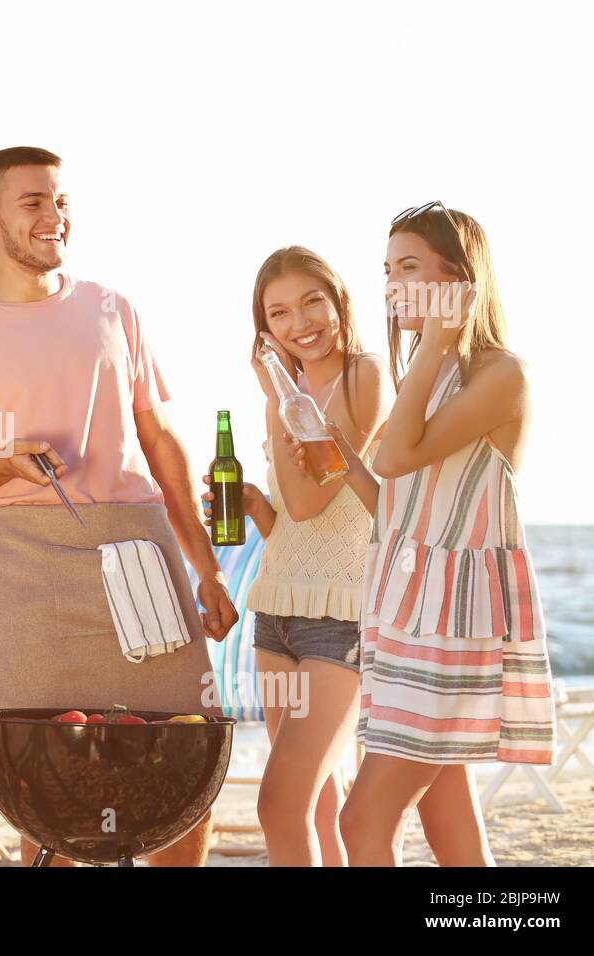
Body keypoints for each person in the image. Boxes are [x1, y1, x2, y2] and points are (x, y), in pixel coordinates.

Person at [0, 146, 238, 867]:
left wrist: (206, 569)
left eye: (59, 199)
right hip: (26, 573)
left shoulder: (112, 308)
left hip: (139, 553)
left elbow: (158, 438)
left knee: (185, 753)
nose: (53, 215)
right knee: (42, 776)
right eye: (32, 202)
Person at [335, 203, 555, 866]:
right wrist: (337, 457)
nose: (391, 285)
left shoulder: (501, 375)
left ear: (458, 280)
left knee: (362, 821)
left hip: (452, 621)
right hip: (408, 613)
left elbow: (399, 456)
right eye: (386, 270)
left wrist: (432, 343)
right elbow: (399, 508)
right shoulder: (431, 378)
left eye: (408, 268)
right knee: (446, 815)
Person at [201, 247, 391, 865]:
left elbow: (315, 500)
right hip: (277, 607)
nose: (299, 321)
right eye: (278, 312)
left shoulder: (364, 375)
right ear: (264, 326)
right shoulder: (284, 392)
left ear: (338, 301)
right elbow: (291, 516)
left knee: (279, 803)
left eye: (313, 300)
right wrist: (254, 503)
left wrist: (275, 391)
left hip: (340, 616)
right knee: (316, 800)